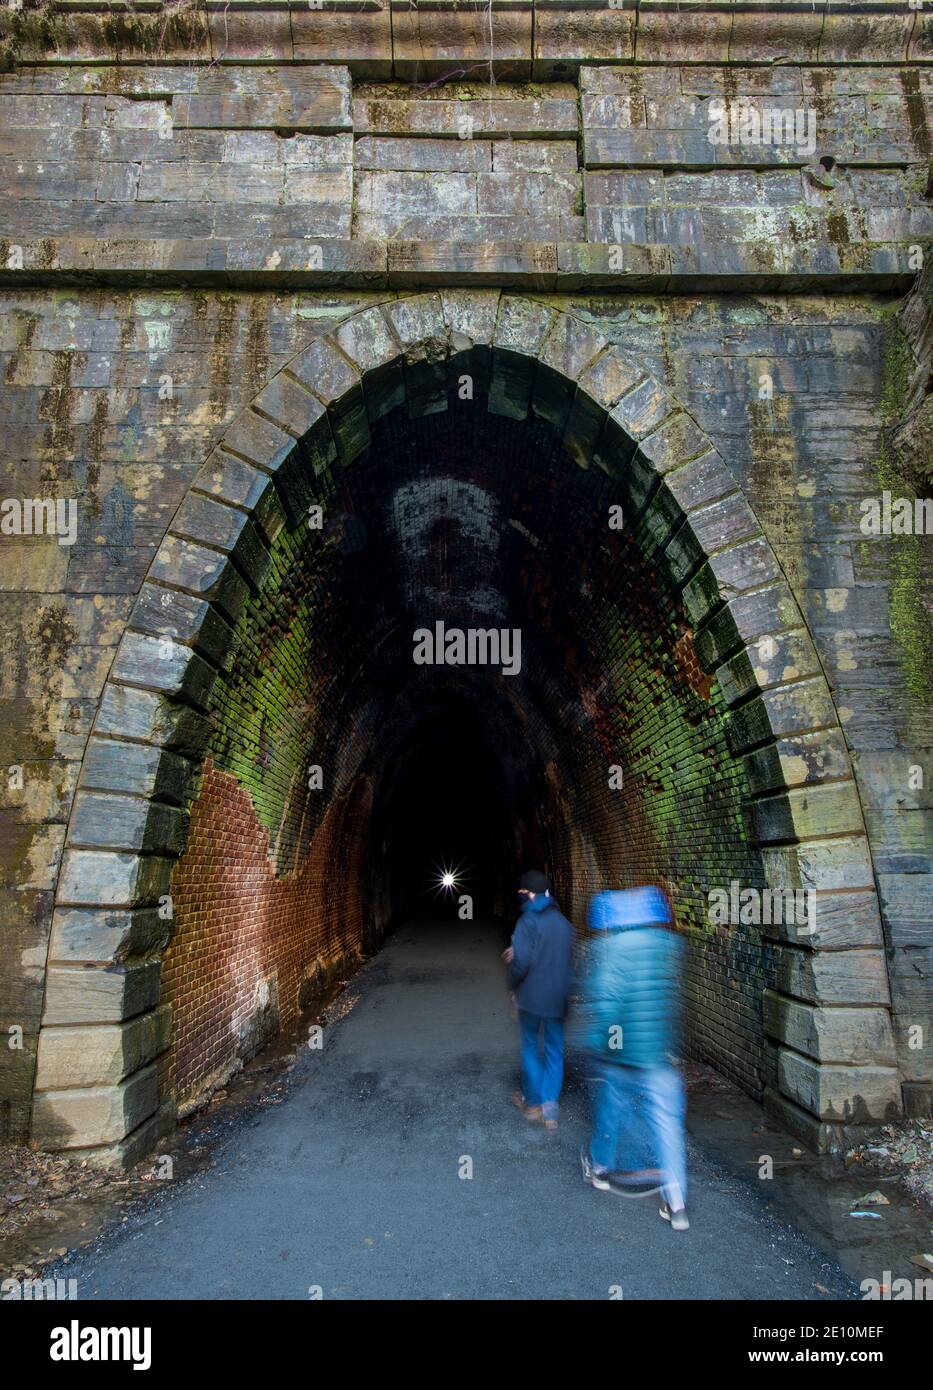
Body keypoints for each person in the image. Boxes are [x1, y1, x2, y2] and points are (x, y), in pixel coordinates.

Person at [570, 885, 690, 1231]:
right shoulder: (668, 945)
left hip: (620, 1053)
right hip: (658, 1053)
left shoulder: (610, 948)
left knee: (610, 1107)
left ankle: (602, 1169)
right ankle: (677, 1202)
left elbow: (608, 1002)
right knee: (668, 1124)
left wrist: (598, 1042)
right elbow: (670, 997)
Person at [502, 870, 575, 1131]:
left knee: (531, 1047)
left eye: (524, 892)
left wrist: (512, 985)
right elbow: (568, 962)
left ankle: (532, 1103)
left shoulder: (528, 921)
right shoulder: (564, 923)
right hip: (557, 999)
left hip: (532, 998)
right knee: (555, 1051)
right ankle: (550, 1108)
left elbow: (521, 963)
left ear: (529, 893)